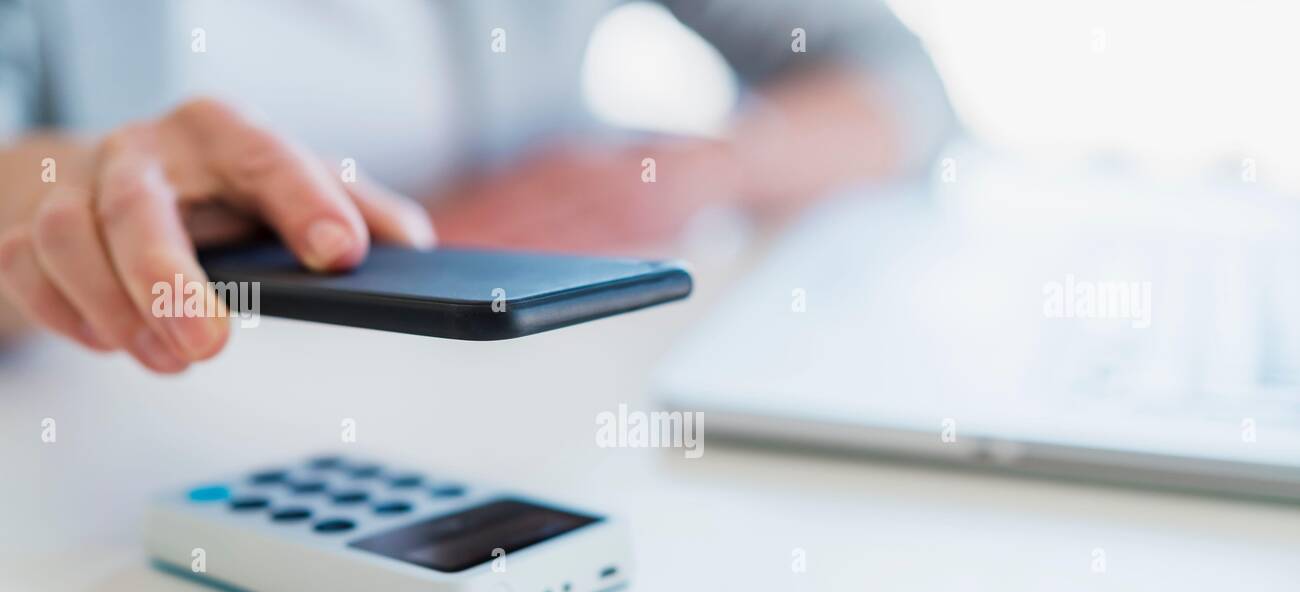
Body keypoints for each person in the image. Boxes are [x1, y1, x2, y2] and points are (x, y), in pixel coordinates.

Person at [0, 0, 953, 373]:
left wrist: (698, 171)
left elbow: (897, 79)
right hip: (119, 438)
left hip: (521, 395)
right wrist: (72, 197)